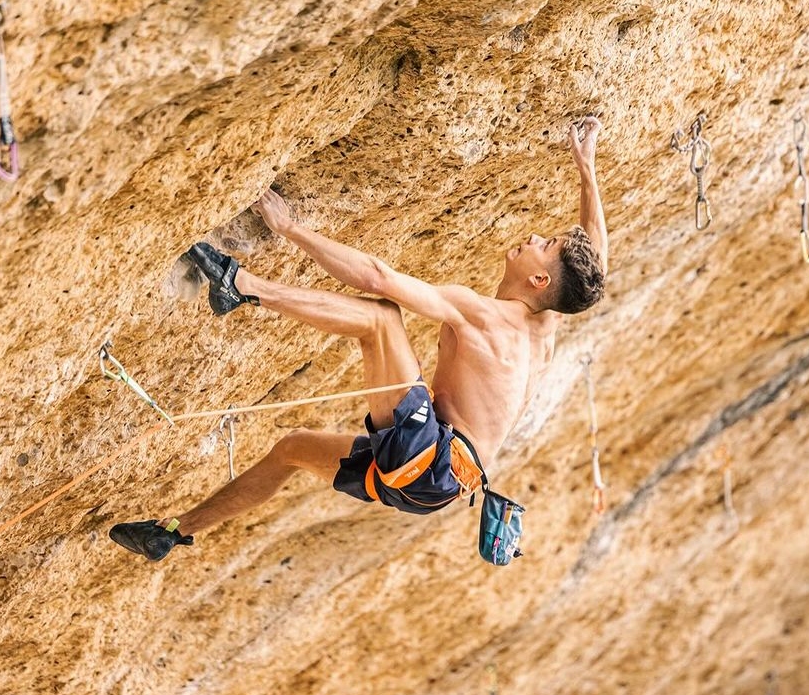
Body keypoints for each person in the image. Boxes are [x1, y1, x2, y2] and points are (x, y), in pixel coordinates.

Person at [109, 117, 609, 561]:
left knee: (382, 320)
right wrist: (586, 169)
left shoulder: (485, 316)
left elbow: (376, 278)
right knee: (292, 449)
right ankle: (171, 534)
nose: (537, 238)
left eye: (548, 246)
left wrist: (290, 229)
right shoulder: (545, 326)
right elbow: (593, 274)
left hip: (430, 457)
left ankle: (240, 286)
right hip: (434, 486)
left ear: (541, 280)